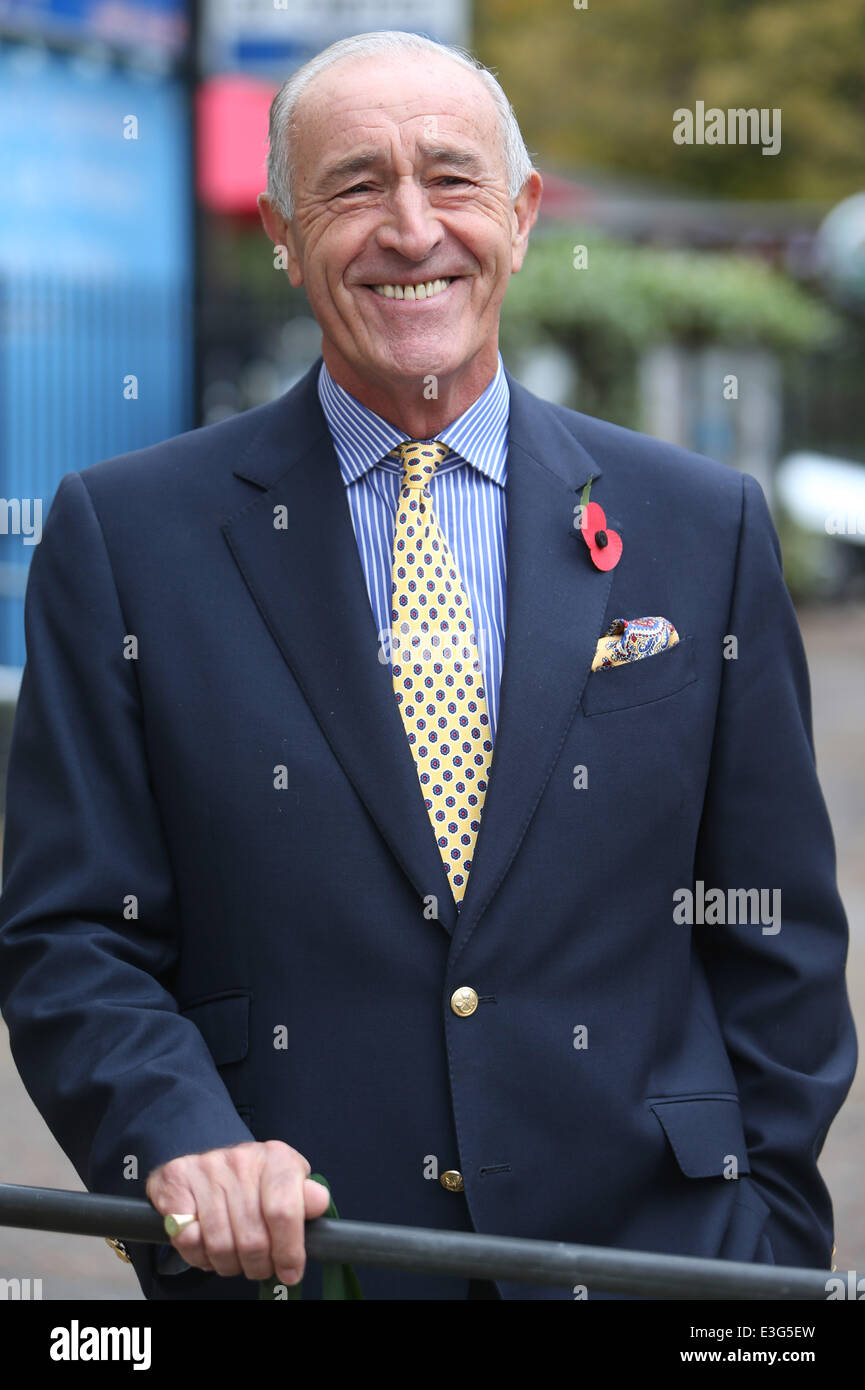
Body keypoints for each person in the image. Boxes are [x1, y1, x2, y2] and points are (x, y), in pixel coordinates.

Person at [0, 30, 856, 1302]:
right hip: (311, 1271)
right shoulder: (126, 538)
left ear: (517, 217)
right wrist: (183, 1140)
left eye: (451, 180)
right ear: (284, 237)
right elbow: (73, 936)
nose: (412, 229)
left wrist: (768, 1233)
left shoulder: (701, 525)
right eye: (354, 186)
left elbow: (774, 930)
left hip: (658, 1269)